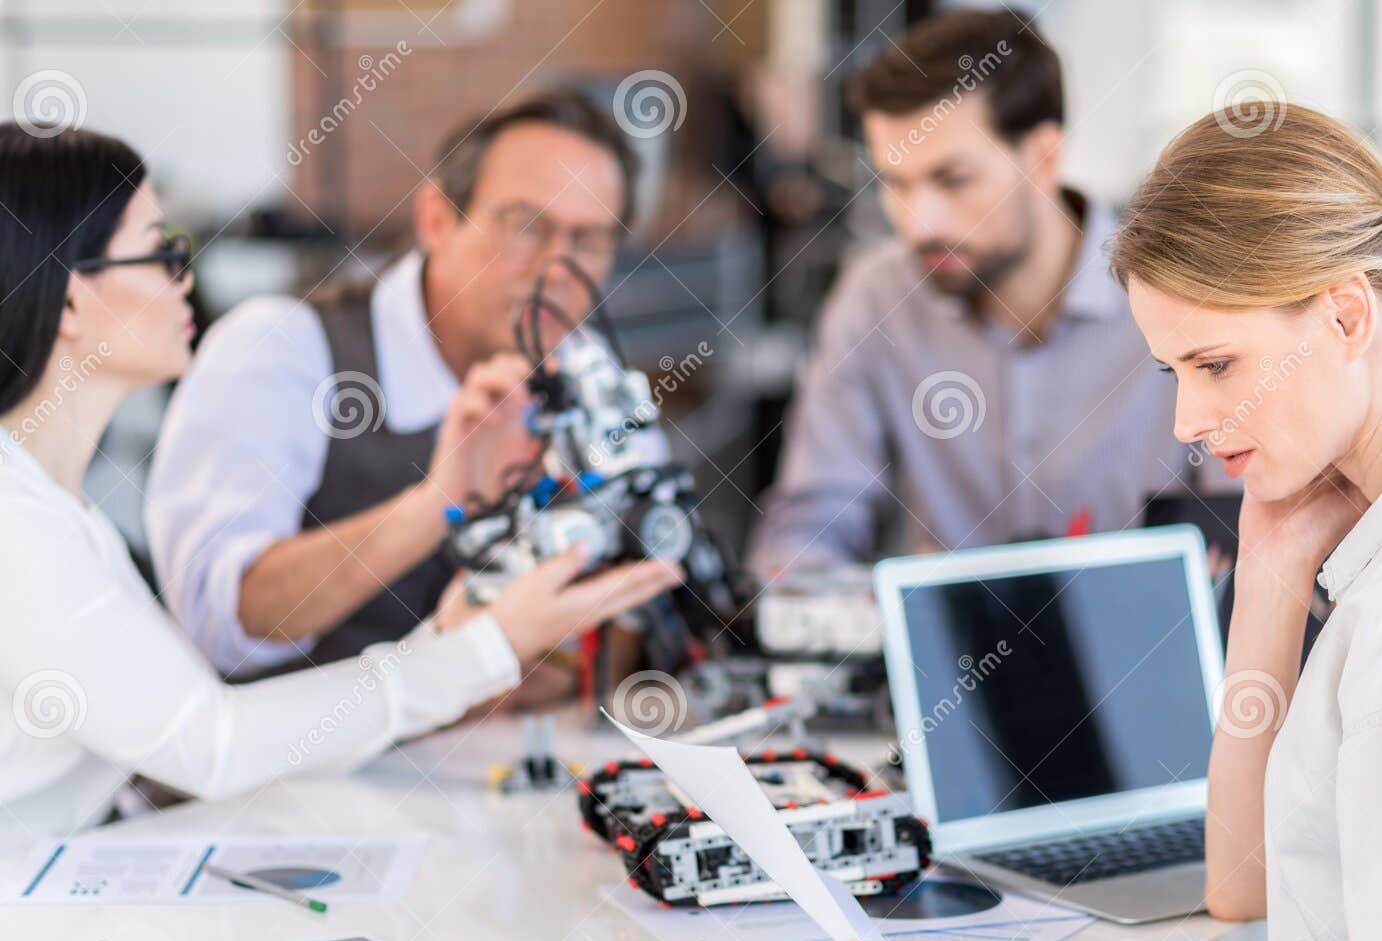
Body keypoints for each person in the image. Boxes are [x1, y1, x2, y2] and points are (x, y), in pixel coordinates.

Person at [839, 103, 1382, 941]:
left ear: (1346, 314)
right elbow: (1245, 886)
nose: (1189, 420)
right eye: (1171, 373)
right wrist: (1273, 580)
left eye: (1216, 365)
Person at [0, 124, 680, 854]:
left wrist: (444, 642)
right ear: (70, 304)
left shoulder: (63, 512)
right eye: (163, 252)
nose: (186, 279)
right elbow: (210, 742)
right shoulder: (20, 527)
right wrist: (481, 651)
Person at [146, 88, 661, 685]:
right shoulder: (281, 349)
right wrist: (435, 506)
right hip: (301, 772)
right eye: (525, 226)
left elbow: (633, 609)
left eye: (591, 241)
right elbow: (221, 620)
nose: (558, 270)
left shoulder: (587, 366)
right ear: (436, 219)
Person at [747, 8, 1220, 577]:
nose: (919, 223)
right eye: (896, 184)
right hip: (948, 658)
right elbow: (808, 529)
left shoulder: (1187, 290)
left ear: (1043, 157)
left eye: (953, 180)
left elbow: (1241, 538)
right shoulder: (877, 297)